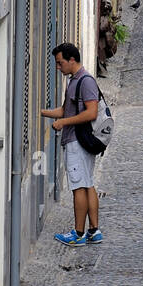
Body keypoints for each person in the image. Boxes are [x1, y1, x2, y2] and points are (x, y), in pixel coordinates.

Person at [42, 43, 103, 247]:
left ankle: (78, 234)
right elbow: (66, 110)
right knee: (87, 183)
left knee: (78, 186)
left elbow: (91, 112)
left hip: (78, 141)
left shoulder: (84, 82)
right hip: (80, 140)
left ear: (72, 60)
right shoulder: (75, 81)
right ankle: (94, 231)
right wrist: (43, 113)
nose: (58, 67)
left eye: (60, 63)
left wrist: (63, 123)